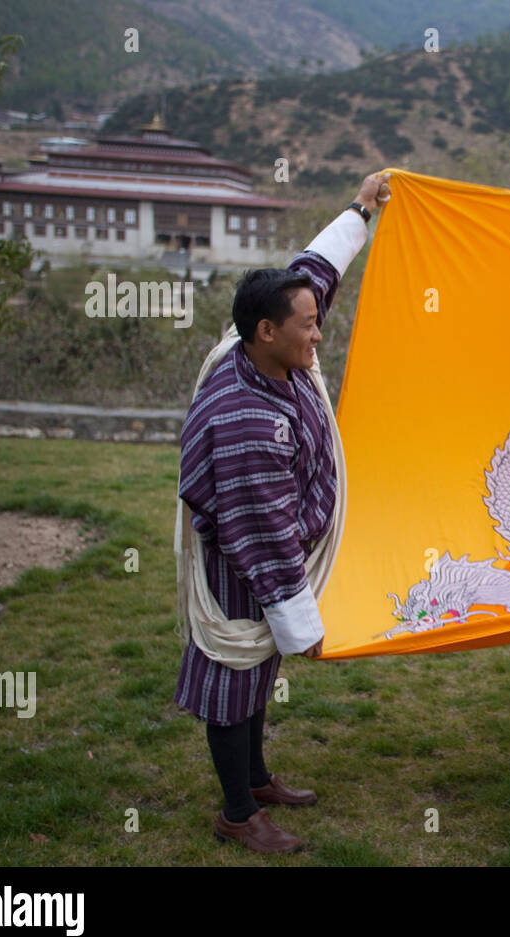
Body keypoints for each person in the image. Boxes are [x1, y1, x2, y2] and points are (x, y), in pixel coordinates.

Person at [173, 170, 391, 852]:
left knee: (258, 677)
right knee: (234, 684)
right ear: (267, 331)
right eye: (307, 327)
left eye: (315, 321)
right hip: (244, 566)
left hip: (266, 552)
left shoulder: (263, 348)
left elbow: (311, 275)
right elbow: (263, 536)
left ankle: (258, 778)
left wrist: (362, 207)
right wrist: (303, 623)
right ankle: (238, 814)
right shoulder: (246, 419)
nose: (317, 336)